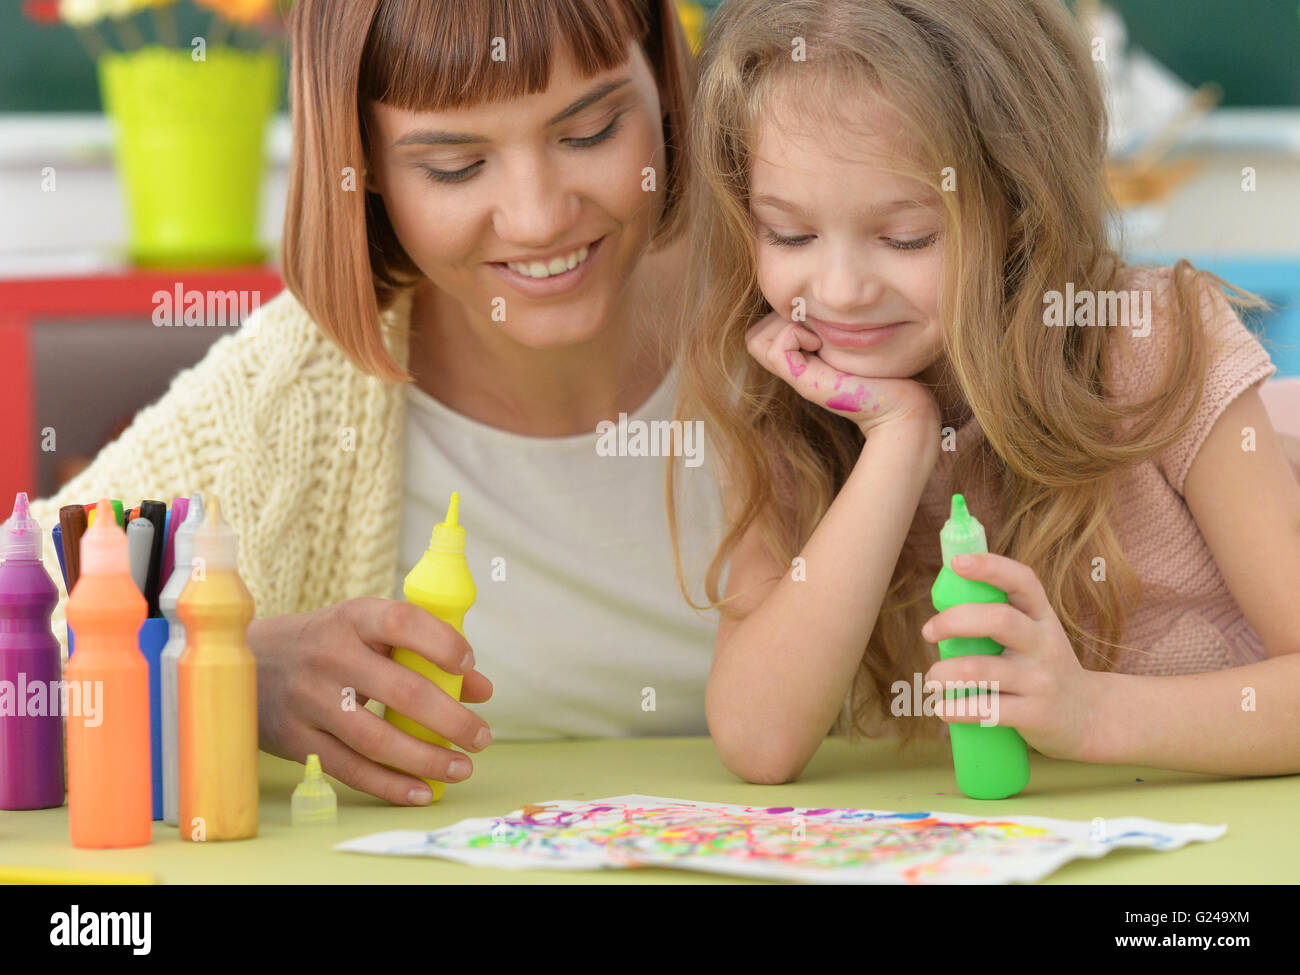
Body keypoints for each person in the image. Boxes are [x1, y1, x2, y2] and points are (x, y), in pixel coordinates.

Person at [30, 0, 724, 806]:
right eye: (455, 167)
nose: (539, 217)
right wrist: (226, 668)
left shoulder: (817, 298)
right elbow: (27, 641)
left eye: (591, 131)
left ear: (664, 84)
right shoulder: (299, 389)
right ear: (363, 171)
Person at [667, 0, 1300, 783]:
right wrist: (899, 438)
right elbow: (760, 740)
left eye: (906, 237)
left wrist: (1092, 713)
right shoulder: (794, 402)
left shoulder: (1152, 341)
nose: (836, 290)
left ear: (1021, 209)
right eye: (788, 234)